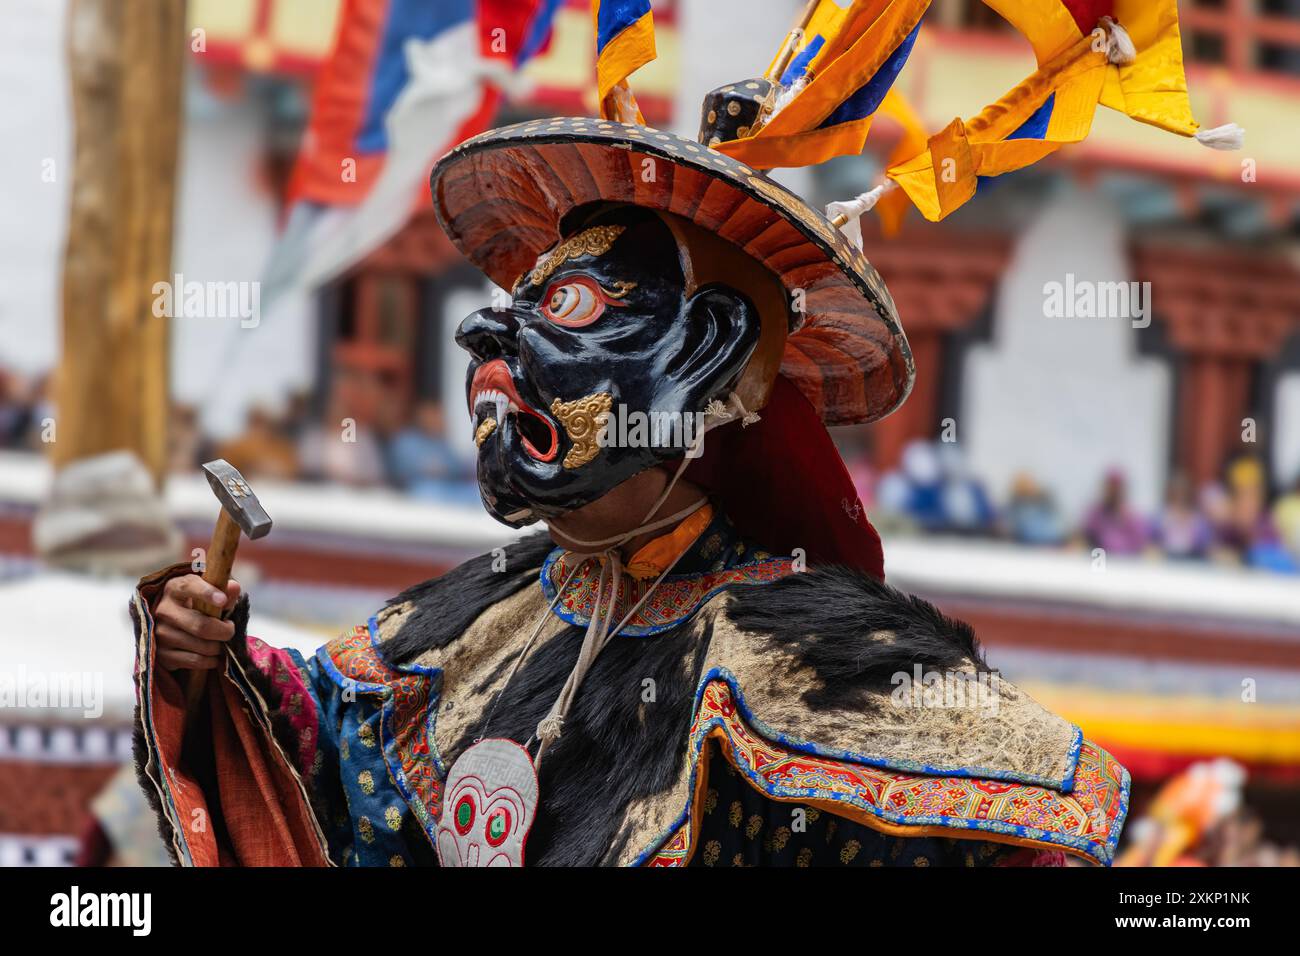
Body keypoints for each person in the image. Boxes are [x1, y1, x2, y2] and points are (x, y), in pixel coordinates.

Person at [130, 81, 1127, 868]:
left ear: (704, 350)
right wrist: (203, 657)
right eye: (510, 302)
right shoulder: (474, 613)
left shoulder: (813, 653)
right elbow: (316, 752)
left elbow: (1036, 823)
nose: (485, 330)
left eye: (563, 304)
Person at [387, 399, 478, 504]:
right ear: (421, 414)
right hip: (418, 490)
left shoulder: (442, 444)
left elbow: (457, 467)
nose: (436, 418)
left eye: (438, 414)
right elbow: (399, 472)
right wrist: (428, 468)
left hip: (447, 490)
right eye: (432, 414)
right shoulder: (406, 440)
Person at [1083, 469, 1148, 556]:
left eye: (1116, 488)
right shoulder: (1096, 514)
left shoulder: (1133, 517)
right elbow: (1086, 538)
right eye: (1111, 487)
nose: (1114, 492)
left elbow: (1142, 545)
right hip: (1102, 562)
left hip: (1128, 564)